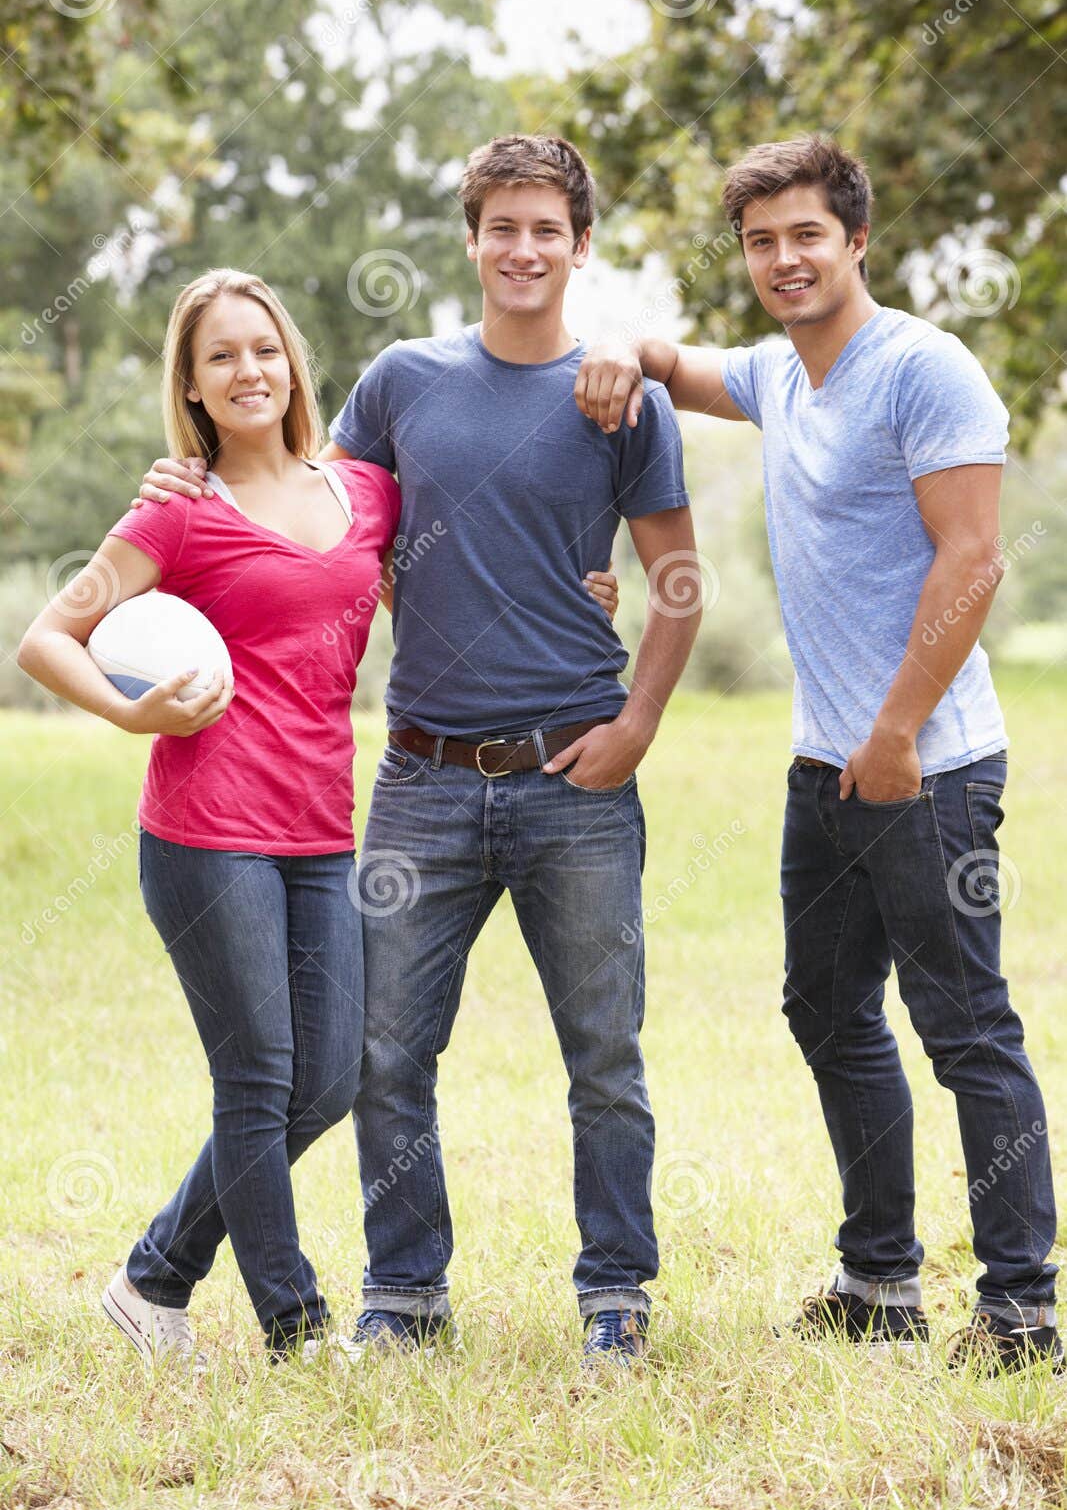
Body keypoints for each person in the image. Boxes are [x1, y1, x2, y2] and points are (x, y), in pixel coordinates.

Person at [137, 134, 700, 1371]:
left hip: (578, 780)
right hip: (421, 780)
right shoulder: (399, 383)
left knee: (603, 1052)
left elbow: (675, 578)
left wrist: (637, 722)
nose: (522, 248)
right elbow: (309, 509)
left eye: (546, 227)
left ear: (578, 244)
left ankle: (615, 1290)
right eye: (500, 225)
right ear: (470, 239)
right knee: (388, 1052)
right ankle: (404, 1294)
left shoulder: (622, 396)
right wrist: (187, 472)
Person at [575, 134, 1060, 1373]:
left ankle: (1018, 1308)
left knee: (964, 1028)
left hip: (928, 764)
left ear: (855, 241)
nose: (782, 259)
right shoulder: (782, 373)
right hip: (823, 767)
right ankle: (879, 1278)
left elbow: (971, 560)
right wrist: (619, 347)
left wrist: (897, 730)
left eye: (804, 235)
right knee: (826, 1010)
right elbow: (672, 365)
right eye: (758, 241)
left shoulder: (923, 370)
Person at [20, 268, 401, 1364]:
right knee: (257, 1077)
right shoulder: (179, 506)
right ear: (190, 385)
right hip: (207, 831)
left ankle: (153, 1279)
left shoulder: (362, 494)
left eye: (264, 348)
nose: (248, 371)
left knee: (325, 1079)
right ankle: (297, 1323)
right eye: (221, 356)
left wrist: (585, 589)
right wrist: (131, 712)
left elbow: (454, 574)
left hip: (323, 831)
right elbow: (48, 636)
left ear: (293, 362)